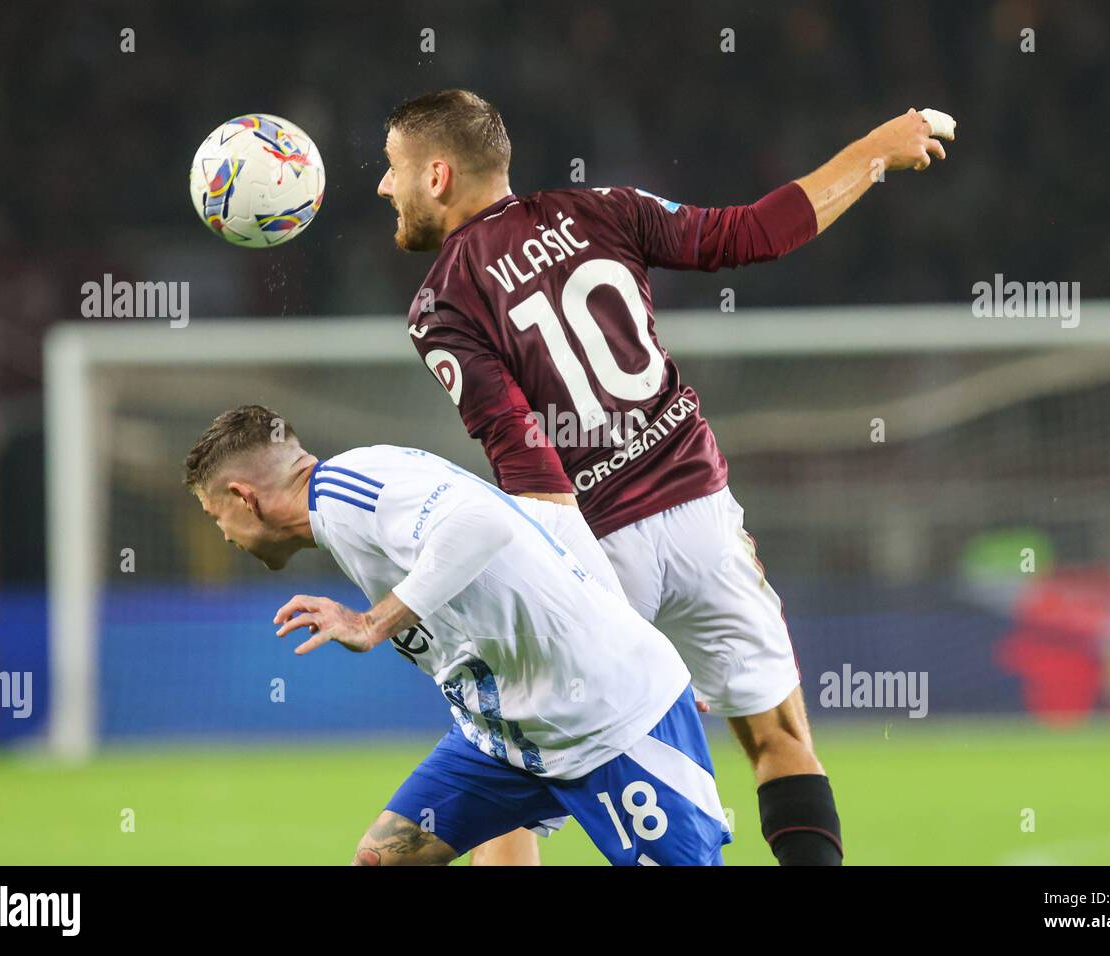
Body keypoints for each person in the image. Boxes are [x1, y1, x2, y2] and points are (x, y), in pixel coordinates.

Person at [375, 89, 953, 864]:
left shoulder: (441, 300)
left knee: (511, 779)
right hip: (701, 517)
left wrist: (557, 581)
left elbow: (524, 454)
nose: (385, 187)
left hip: (594, 539)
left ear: (438, 175)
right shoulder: (604, 208)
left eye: (393, 168)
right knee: (780, 738)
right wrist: (876, 150)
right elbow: (752, 234)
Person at [183, 404, 732, 865]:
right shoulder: (355, 492)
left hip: (606, 723)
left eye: (215, 516)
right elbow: (541, 523)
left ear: (243, 497)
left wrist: (372, 623)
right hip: (505, 737)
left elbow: (482, 525)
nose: (224, 535)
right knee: (379, 859)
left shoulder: (347, 497)